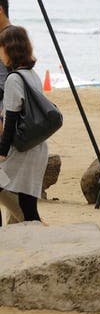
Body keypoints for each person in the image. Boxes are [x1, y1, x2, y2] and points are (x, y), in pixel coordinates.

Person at [0, 24, 49, 223]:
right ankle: (27, 236)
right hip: (37, 148)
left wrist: (2, 152)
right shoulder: (32, 76)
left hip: (22, 152)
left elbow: (10, 120)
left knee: (27, 210)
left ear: (10, 49)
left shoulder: (14, 79)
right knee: (28, 205)